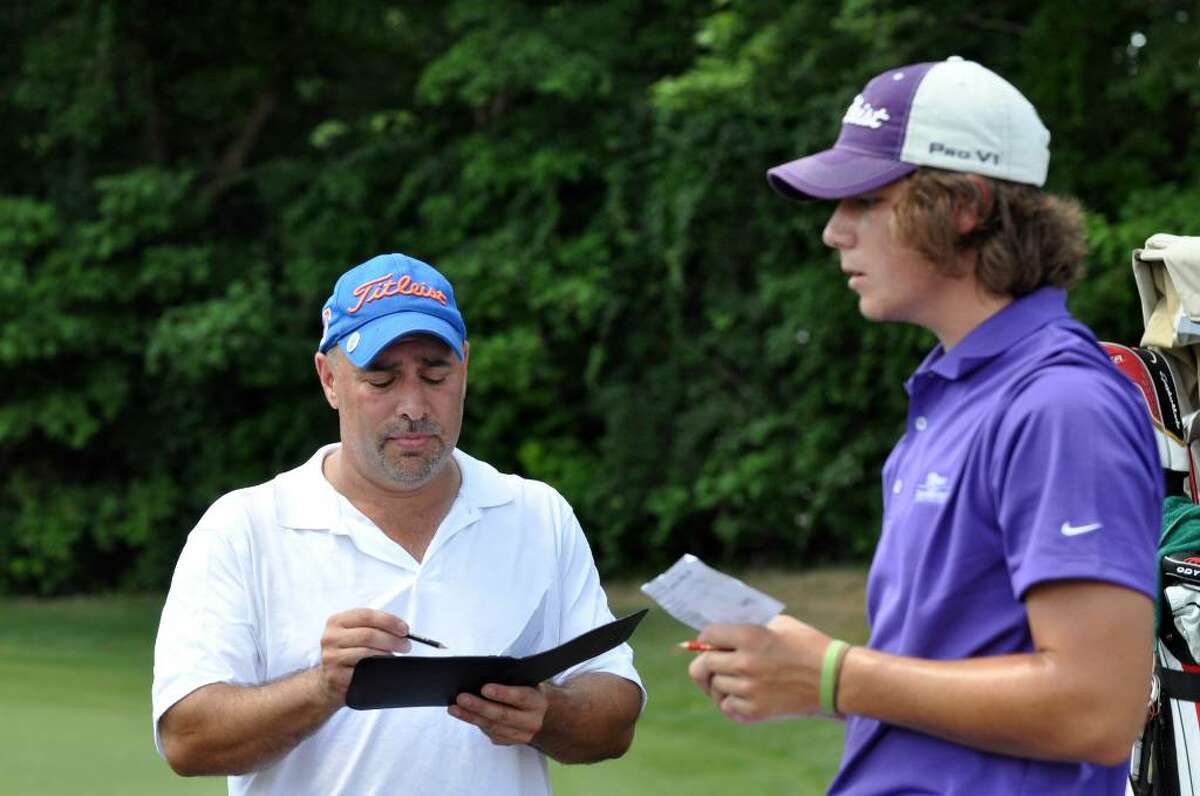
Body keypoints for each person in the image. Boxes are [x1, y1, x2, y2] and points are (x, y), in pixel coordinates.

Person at [687, 57, 1163, 794]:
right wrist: (798, 679)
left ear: (965, 205)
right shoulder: (957, 396)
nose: (832, 233)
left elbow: (1096, 708)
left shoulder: (1059, 405)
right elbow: (950, 684)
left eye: (865, 201)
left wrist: (834, 676)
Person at [152, 253, 644, 795]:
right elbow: (186, 738)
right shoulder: (244, 529)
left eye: (435, 374)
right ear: (329, 379)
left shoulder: (534, 513)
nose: (413, 405)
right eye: (381, 380)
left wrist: (547, 713)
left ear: (465, 368)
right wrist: (323, 686)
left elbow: (616, 715)